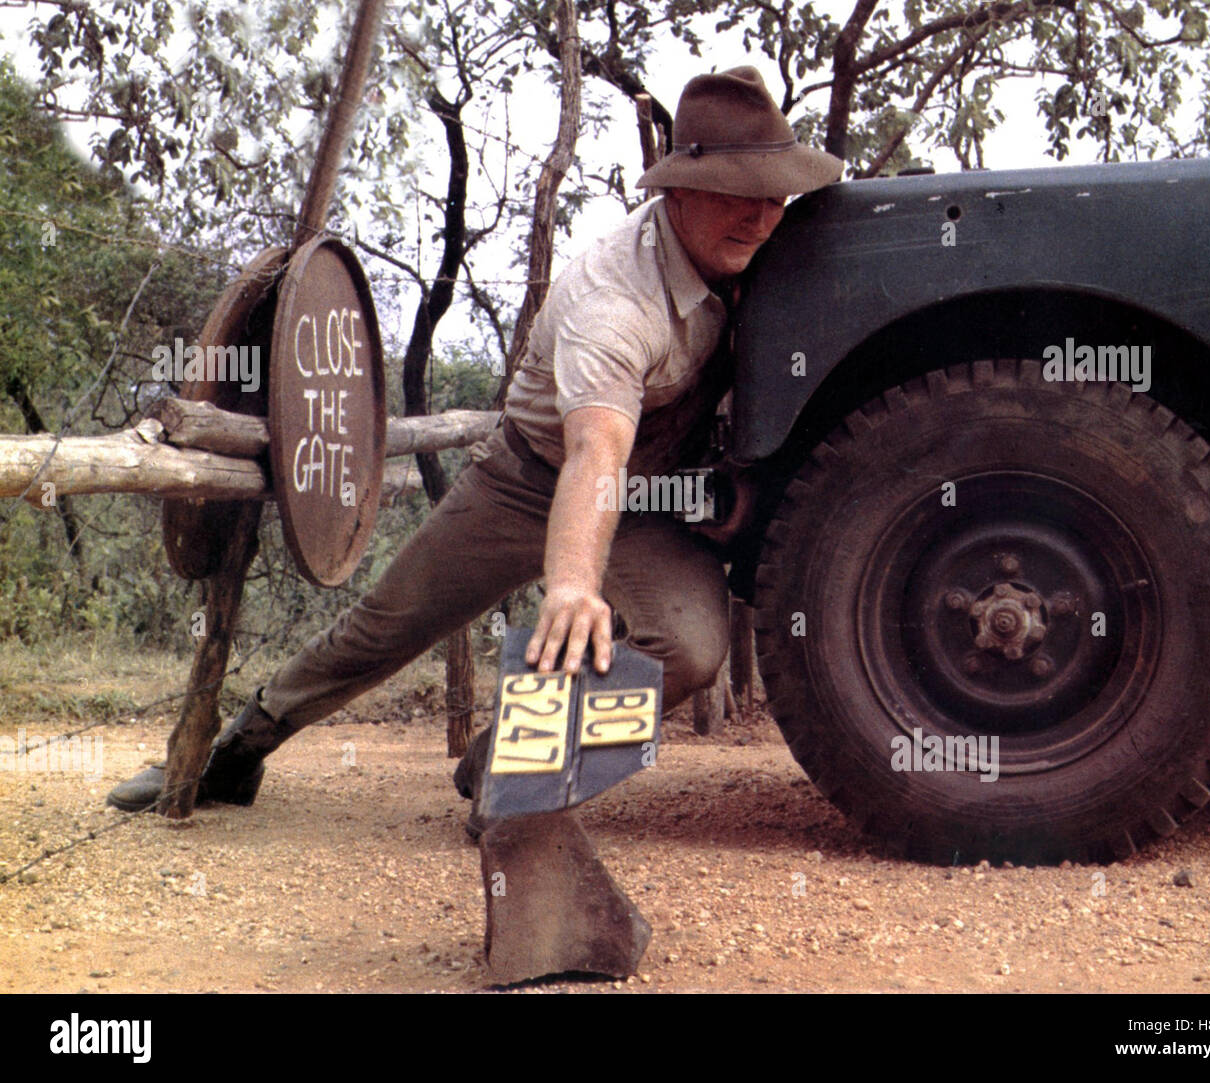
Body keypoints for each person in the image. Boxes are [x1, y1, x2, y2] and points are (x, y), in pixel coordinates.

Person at [107, 64, 843, 817]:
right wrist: (571, 587)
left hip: (649, 496)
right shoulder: (613, 300)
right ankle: (238, 747)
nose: (759, 217)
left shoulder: (771, 260)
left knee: (688, 646)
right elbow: (594, 452)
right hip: (531, 479)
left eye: (773, 196)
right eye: (736, 195)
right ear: (676, 192)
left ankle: (503, 769)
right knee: (386, 626)